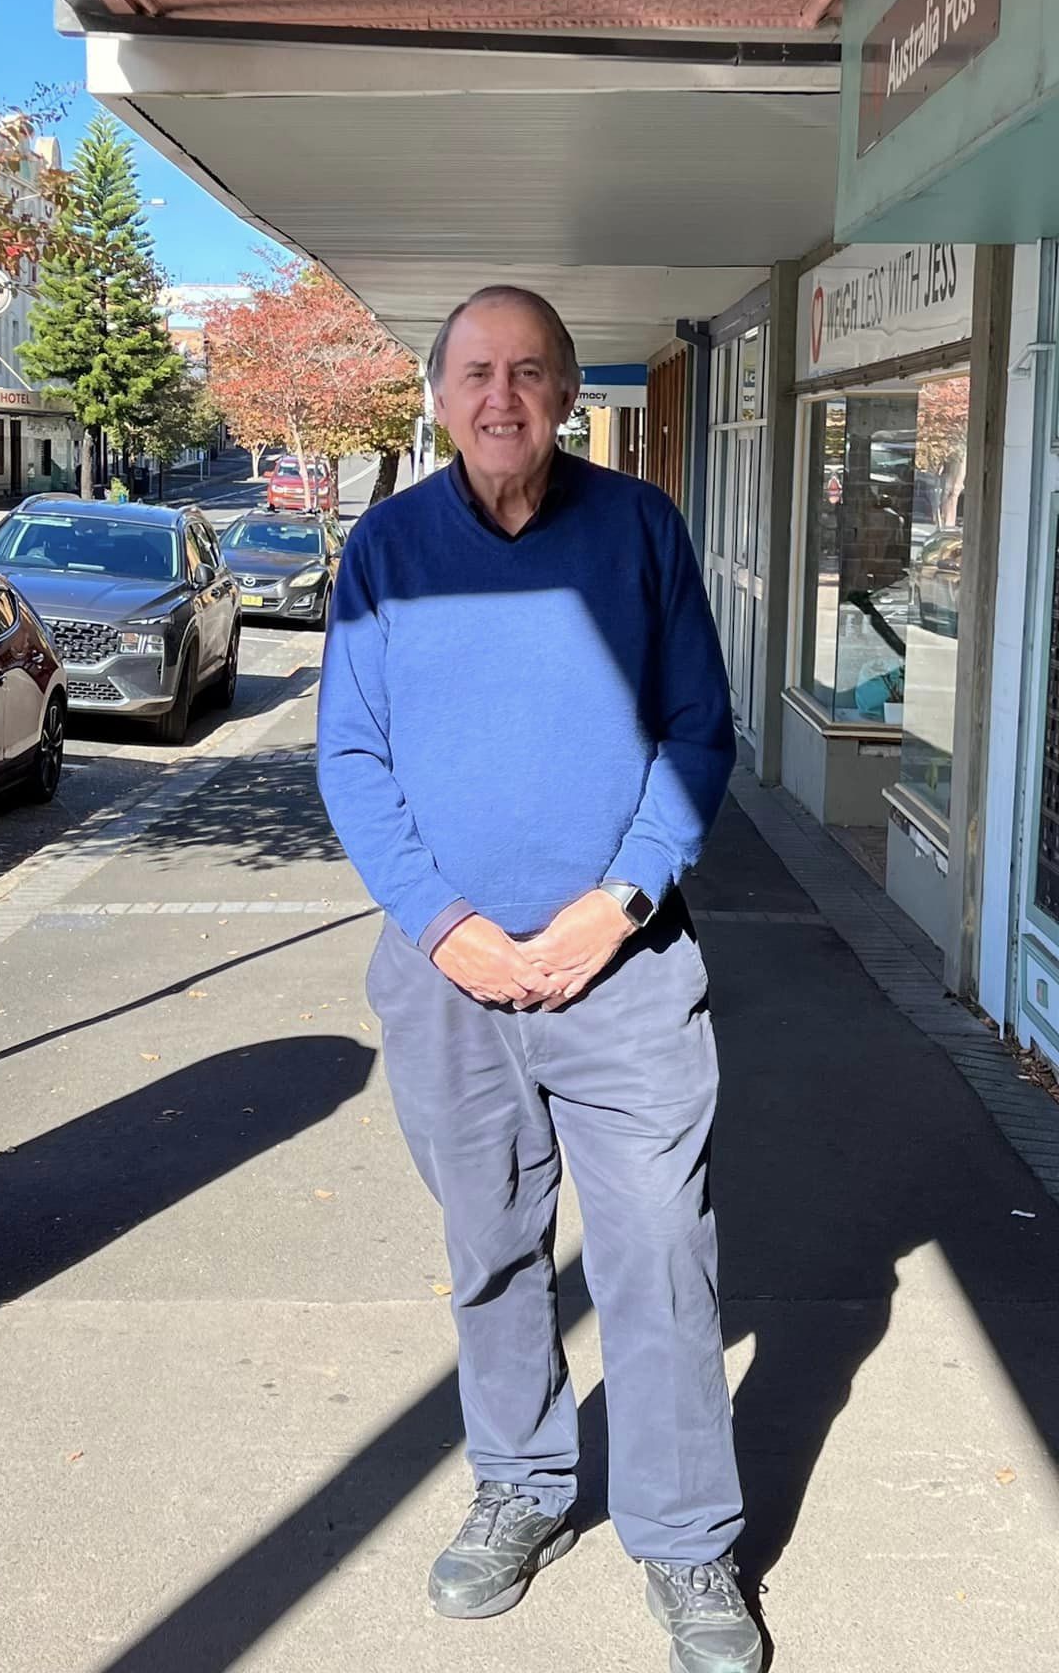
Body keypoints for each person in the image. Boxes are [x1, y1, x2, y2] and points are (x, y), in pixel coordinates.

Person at [316, 286, 758, 1673]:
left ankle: (689, 1546)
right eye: (475, 373)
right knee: (493, 1250)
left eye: (528, 373)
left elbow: (699, 731)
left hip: (623, 973)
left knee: (660, 1258)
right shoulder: (386, 548)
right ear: (438, 394)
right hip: (447, 979)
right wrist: (444, 925)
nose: (500, 396)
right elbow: (352, 757)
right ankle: (521, 1484)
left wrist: (616, 906)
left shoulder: (639, 532)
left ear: (568, 392)